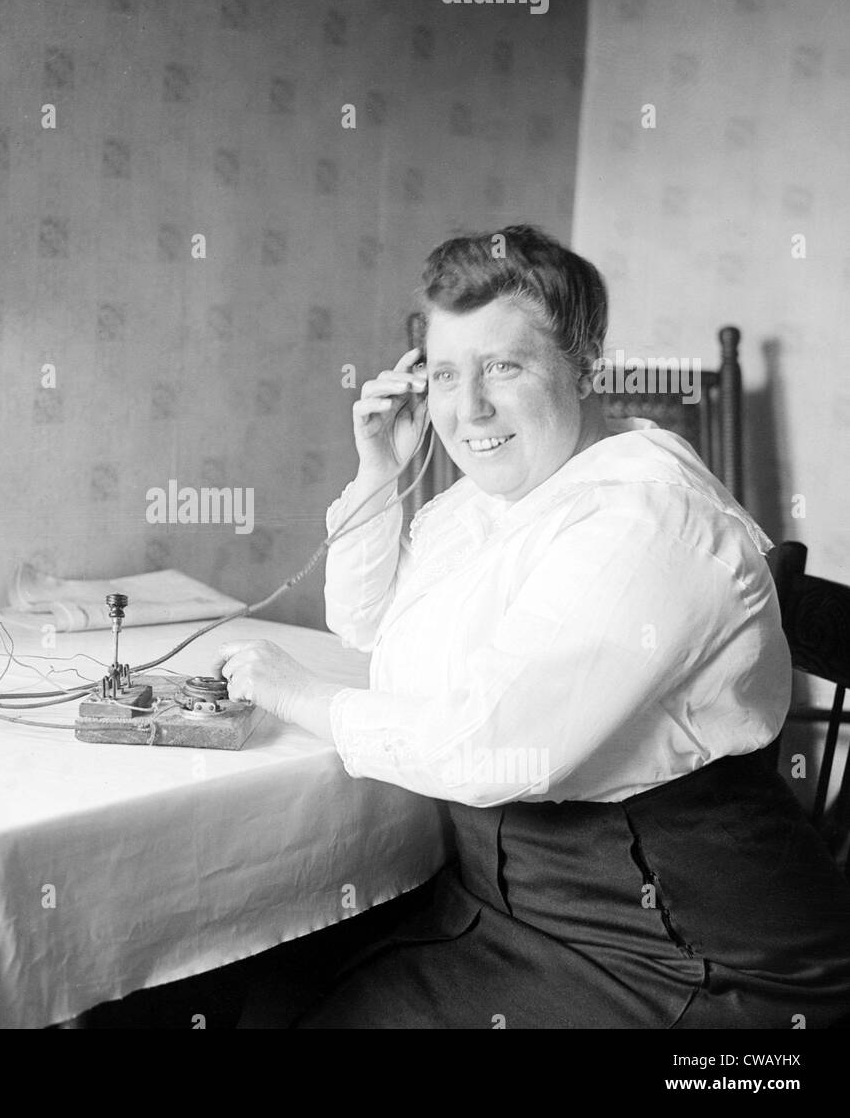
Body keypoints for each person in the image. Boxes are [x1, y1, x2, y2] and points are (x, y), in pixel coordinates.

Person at [216, 224, 850, 1028]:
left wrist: (293, 693)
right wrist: (380, 469)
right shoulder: (494, 500)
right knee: (260, 991)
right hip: (516, 912)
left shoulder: (646, 517)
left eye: (502, 367)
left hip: (695, 962)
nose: (468, 407)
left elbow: (484, 743)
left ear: (586, 367)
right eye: (446, 373)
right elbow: (367, 622)